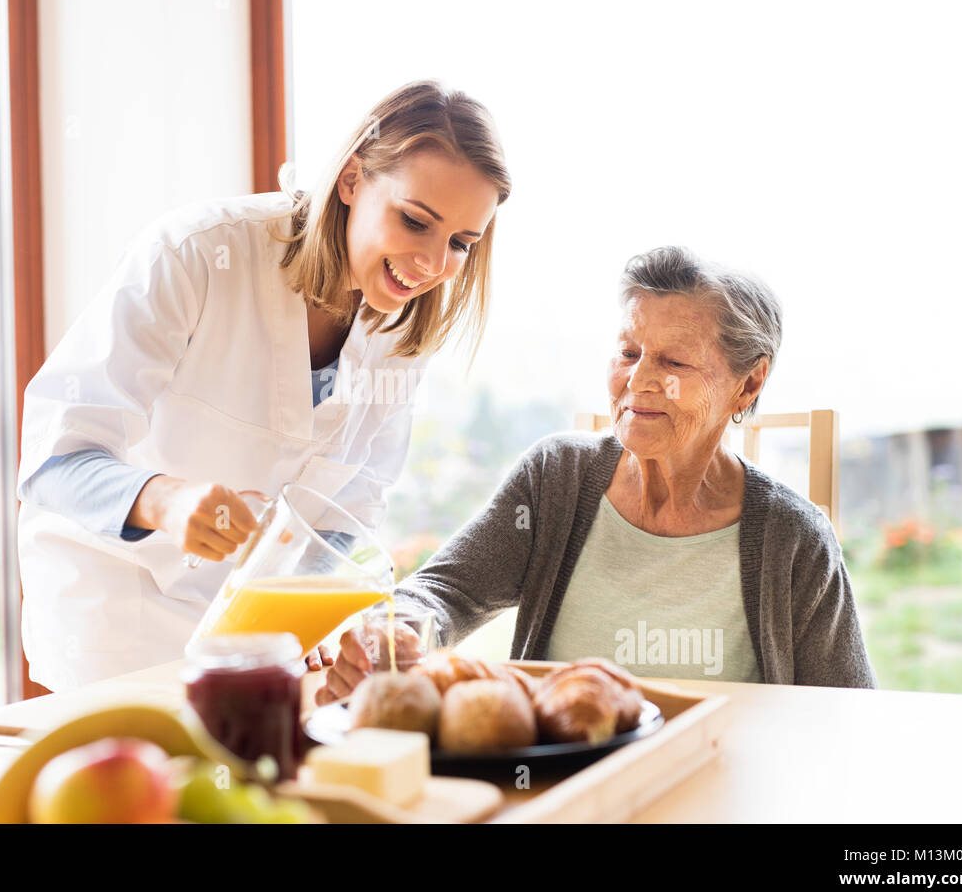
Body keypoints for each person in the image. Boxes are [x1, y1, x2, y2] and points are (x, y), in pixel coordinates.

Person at [16, 80, 510, 691]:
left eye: (462, 243)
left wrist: (319, 610)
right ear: (353, 179)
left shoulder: (402, 327)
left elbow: (353, 500)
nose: (433, 265)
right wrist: (165, 500)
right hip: (116, 616)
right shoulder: (195, 255)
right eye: (415, 222)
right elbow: (52, 458)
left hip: (254, 638)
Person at [316, 246, 877, 703]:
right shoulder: (556, 478)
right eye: (629, 352)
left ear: (749, 384)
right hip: (566, 787)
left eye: (673, 362)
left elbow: (851, 717)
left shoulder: (793, 539)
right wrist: (399, 628)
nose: (637, 381)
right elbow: (446, 590)